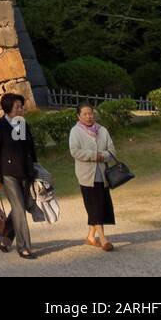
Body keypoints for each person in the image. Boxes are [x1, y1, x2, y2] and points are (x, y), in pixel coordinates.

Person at [0, 92, 38, 259]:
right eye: (17, 106)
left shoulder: (23, 125)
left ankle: (4, 238)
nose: (21, 109)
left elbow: (30, 150)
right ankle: (24, 247)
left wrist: (35, 169)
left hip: (25, 173)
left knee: (20, 208)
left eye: (21, 106)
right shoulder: (0, 127)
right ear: (8, 108)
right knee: (19, 209)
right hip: (8, 175)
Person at [69, 103, 117, 251]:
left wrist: (103, 156)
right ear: (78, 116)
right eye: (85, 114)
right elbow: (75, 151)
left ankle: (90, 236)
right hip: (86, 176)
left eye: (90, 113)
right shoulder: (75, 131)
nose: (89, 116)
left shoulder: (103, 130)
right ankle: (103, 239)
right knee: (94, 207)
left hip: (102, 176)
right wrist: (93, 156)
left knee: (99, 205)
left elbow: (112, 151)